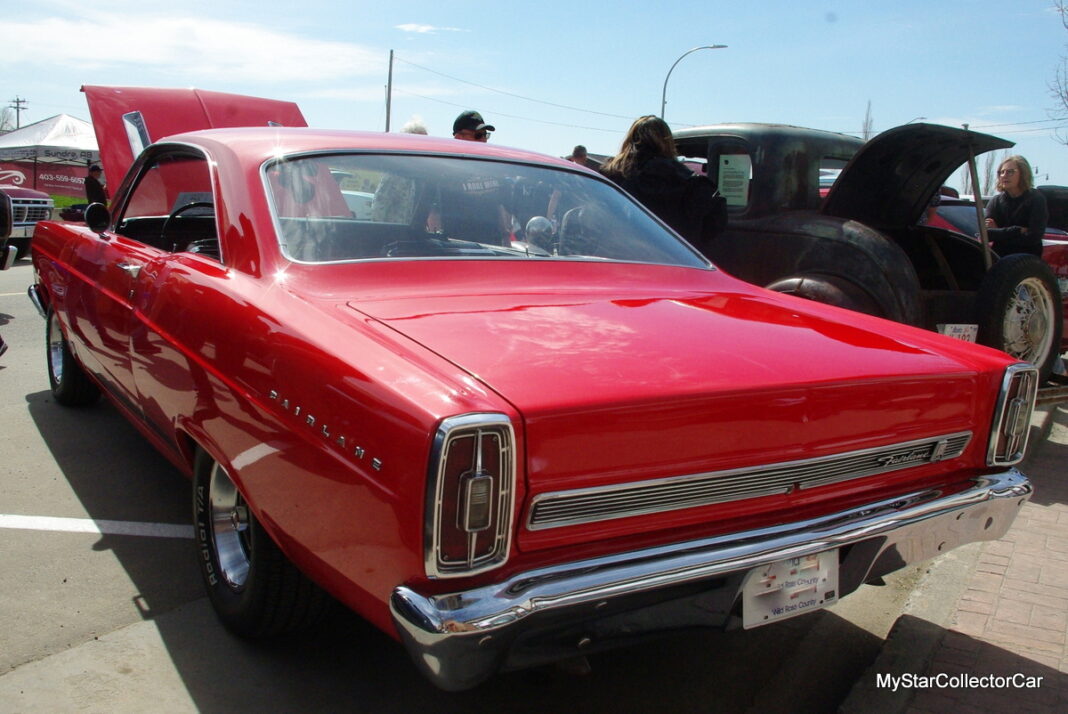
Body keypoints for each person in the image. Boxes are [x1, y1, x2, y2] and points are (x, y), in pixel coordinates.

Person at [600, 115, 726, 249]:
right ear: (667, 142)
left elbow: (597, 216)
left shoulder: (611, 175)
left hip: (620, 251)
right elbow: (717, 218)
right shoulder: (688, 180)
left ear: (630, 140)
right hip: (671, 254)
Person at [984, 155, 1047, 257]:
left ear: (1023, 174)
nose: (1004, 175)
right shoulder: (995, 201)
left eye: (1010, 172)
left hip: (1025, 260)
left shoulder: (1036, 199)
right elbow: (986, 234)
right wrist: (1016, 230)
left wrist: (999, 232)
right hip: (1000, 259)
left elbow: (1033, 237)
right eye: (1001, 172)